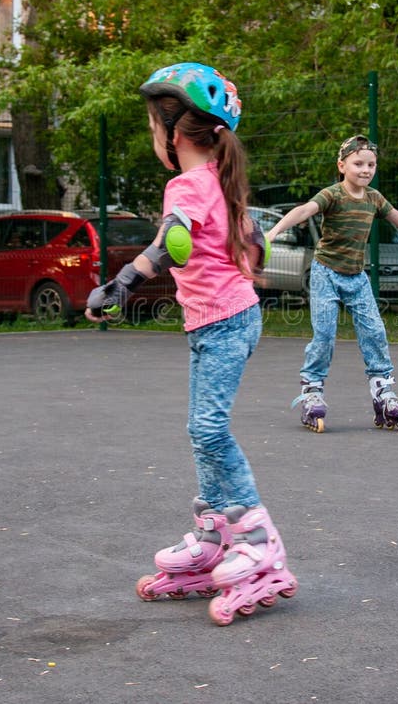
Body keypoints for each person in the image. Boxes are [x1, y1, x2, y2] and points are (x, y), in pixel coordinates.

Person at [85, 62, 297, 626]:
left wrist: (120, 285)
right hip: (221, 321)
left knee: (208, 428)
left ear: (174, 135)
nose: (156, 138)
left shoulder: (187, 184)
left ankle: (256, 535)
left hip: (224, 322)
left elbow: (171, 240)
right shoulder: (221, 182)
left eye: (155, 128)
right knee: (201, 428)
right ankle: (212, 534)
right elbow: (250, 243)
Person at [265, 134, 398, 433]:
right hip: (325, 273)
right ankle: (312, 391)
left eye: (371, 165)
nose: (365, 170)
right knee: (324, 334)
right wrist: (273, 233)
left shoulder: (375, 198)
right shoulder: (332, 195)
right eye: (358, 164)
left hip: (356, 277)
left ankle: (384, 395)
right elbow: (304, 211)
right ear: (342, 165)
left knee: (375, 331)